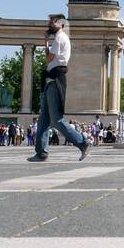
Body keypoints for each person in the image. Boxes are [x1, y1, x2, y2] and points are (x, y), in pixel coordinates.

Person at [30, 15, 89, 162]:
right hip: (52, 78)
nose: (49, 24)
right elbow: (50, 58)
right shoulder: (60, 38)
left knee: (56, 120)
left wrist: (45, 43)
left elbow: (49, 58)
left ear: (61, 24)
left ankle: (83, 143)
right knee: (44, 119)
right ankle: (41, 152)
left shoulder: (59, 37)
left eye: (52, 22)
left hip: (55, 78)